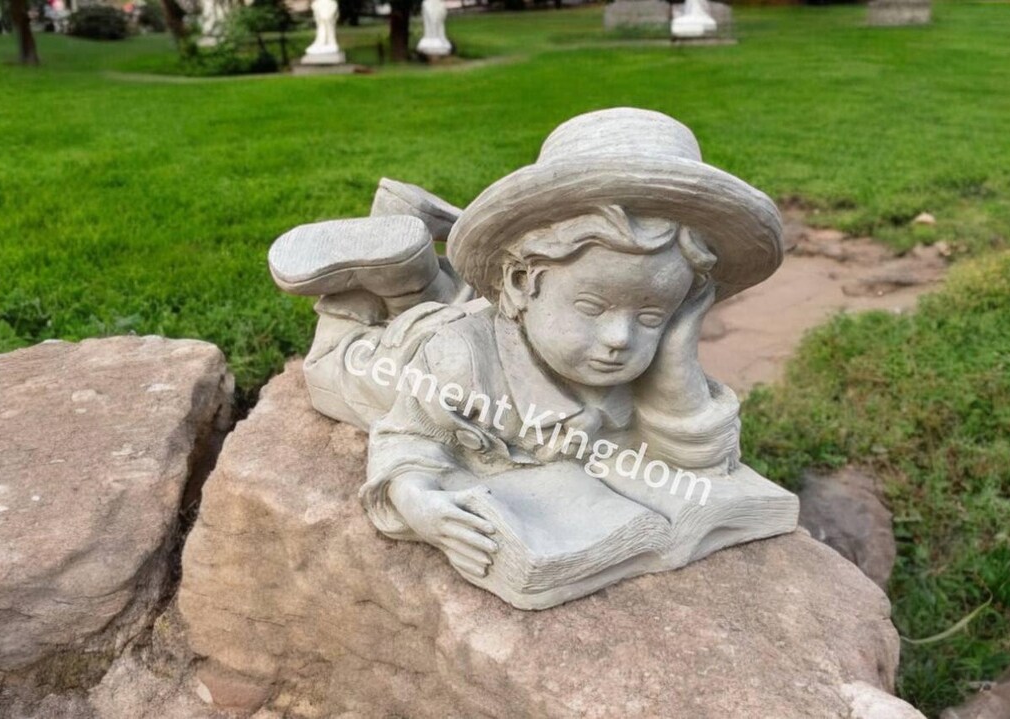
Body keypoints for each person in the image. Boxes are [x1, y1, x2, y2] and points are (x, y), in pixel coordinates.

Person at [269, 108, 783, 580]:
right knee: (350, 353)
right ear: (518, 284)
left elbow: (704, 462)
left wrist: (675, 357)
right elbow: (405, 439)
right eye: (592, 307)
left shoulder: (621, 356)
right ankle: (390, 265)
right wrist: (420, 505)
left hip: (497, 321)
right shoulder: (454, 362)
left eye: (651, 315)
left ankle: (421, 244)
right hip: (406, 356)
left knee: (452, 301)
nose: (620, 339)